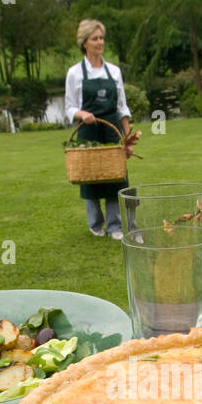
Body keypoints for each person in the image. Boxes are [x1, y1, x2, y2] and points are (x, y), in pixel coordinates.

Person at [65, 19, 139, 239]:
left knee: (115, 176)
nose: (100, 42)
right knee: (90, 176)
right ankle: (95, 223)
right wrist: (82, 114)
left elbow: (122, 107)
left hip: (111, 128)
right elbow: (69, 107)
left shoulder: (114, 72)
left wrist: (127, 138)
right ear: (84, 43)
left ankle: (115, 225)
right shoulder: (75, 73)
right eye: (95, 38)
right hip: (88, 131)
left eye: (101, 38)